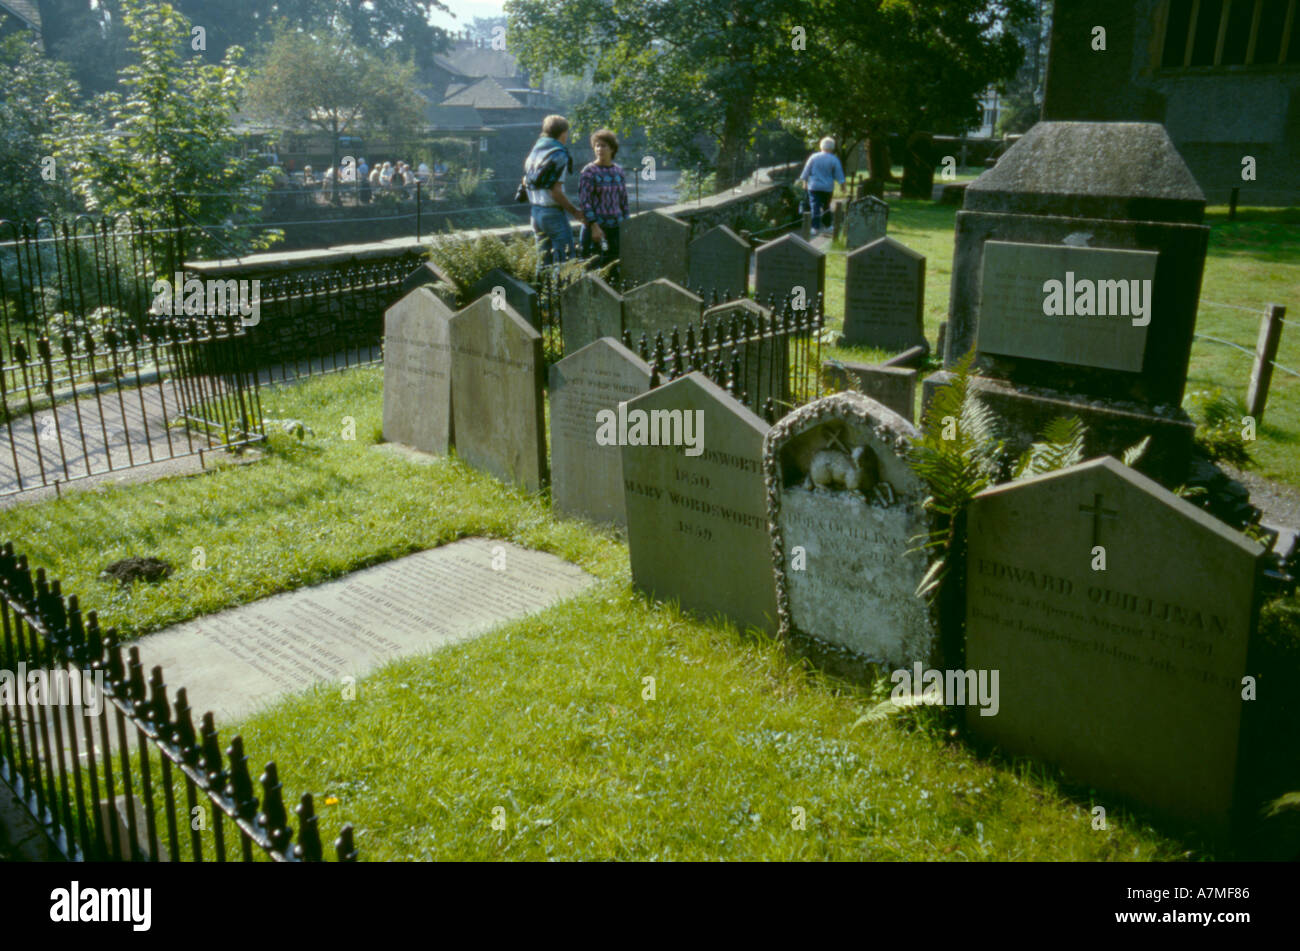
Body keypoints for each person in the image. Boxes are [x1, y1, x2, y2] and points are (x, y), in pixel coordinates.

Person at [524, 115, 582, 266]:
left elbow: (525, 181)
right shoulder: (558, 155)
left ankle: (541, 289)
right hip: (553, 214)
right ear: (563, 133)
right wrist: (574, 211)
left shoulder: (534, 153)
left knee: (543, 263)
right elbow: (555, 192)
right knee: (566, 263)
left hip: (535, 213)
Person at [577, 128, 629, 272]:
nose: (600, 149)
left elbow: (623, 201)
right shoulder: (589, 171)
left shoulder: (618, 171)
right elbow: (584, 201)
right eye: (597, 145)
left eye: (604, 145)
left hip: (615, 229)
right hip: (596, 230)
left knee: (613, 267)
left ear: (612, 149)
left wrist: (627, 225)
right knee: (593, 268)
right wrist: (594, 227)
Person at [798, 137, 845, 237]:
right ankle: (828, 225)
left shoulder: (814, 157)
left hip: (814, 186)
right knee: (826, 206)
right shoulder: (834, 159)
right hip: (827, 187)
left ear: (821, 146)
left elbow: (806, 170)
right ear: (832, 147)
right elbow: (839, 174)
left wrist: (804, 182)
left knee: (815, 206)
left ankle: (815, 227)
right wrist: (843, 186)